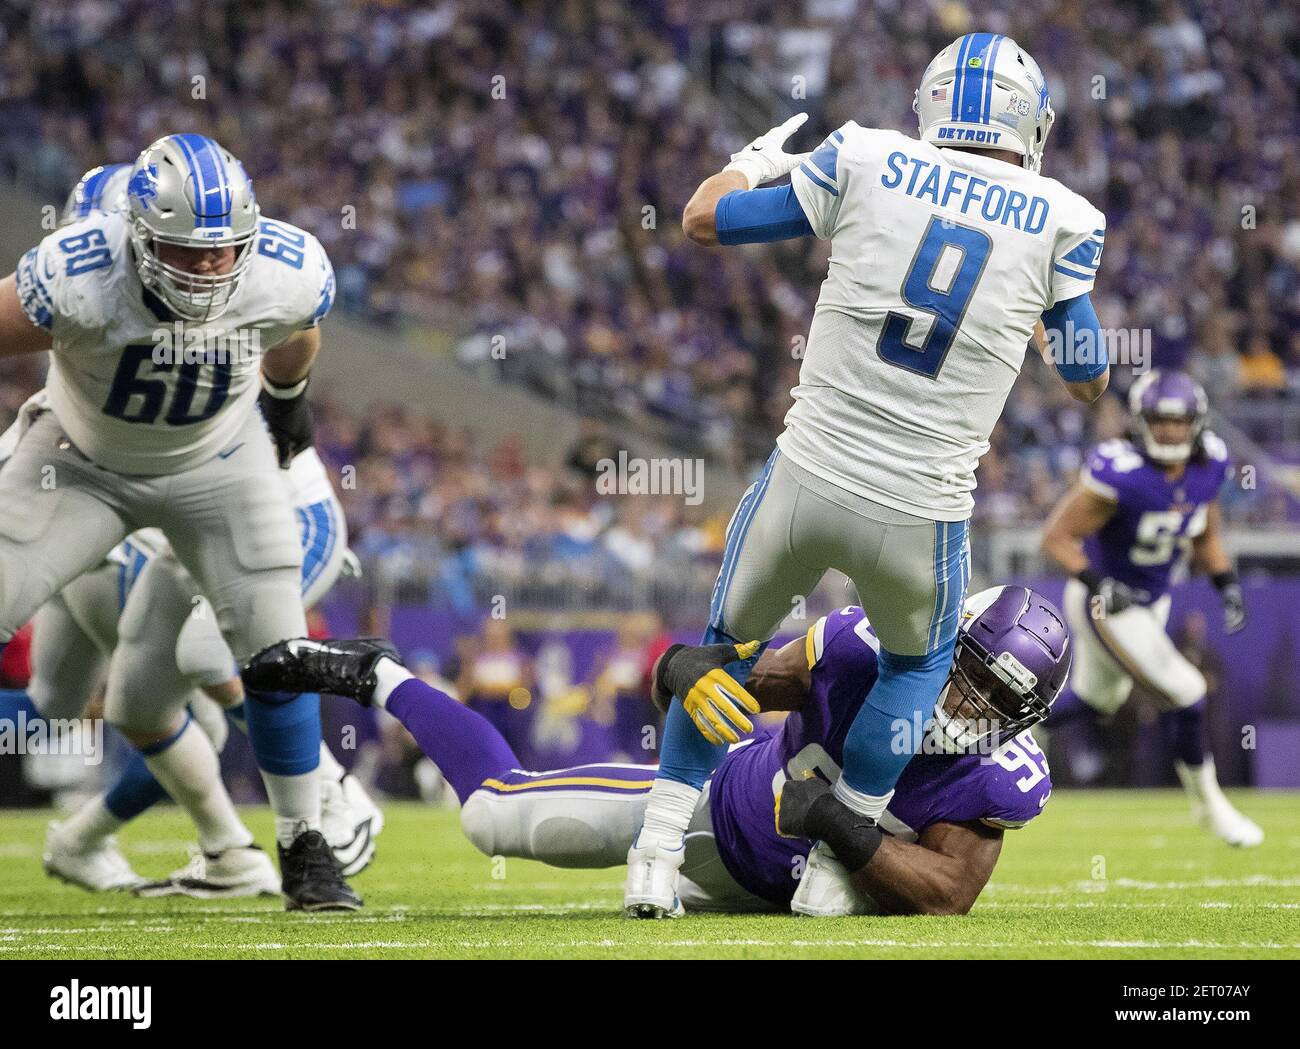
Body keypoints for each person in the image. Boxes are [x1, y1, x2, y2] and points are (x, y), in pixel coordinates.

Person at [631, 33, 1109, 917]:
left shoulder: (865, 154)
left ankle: (654, 855)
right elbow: (1087, 377)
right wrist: (1049, 322)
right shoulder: (1063, 218)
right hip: (920, 512)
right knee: (917, 666)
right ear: (1031, 124)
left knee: (722, 655)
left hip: (806, 475)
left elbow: (702, 218)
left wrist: (752, 161)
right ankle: (828, 868)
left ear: (932, 104)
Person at [0, 133, 358, 909]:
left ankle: (304, 840)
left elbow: (296, 327)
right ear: (134, 235)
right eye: (185, 250)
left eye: (222, 250)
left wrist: (287, 401)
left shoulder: (285, 269)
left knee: (275, 639)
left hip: (215, 463)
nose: (207, 267)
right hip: (81, 461)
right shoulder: (79, 273)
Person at [240, 584, 1070, 917]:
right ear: (944, 646)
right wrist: (679, 669)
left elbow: (948, 894)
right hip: (715, 814)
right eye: (970, 679)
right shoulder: (858, 652)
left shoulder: (1001, 773)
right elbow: (721, 687)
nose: (970, 710)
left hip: (768, 898)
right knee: (492, 816)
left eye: (999, 703)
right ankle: (379, 673)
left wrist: (838, 823)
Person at [1041, 369, 1262, 846]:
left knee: (1097, 700)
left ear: (1196, 424)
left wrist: (1226, 583)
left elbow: (1206, 536)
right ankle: (1211, 808)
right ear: (1140, 422)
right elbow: (1056, 538)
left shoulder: (1210, 464)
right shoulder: (1121, 471)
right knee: (1187, 690)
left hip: (1151, 603)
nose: (1169, 430)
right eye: (1160, 420)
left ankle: (994, 730)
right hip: (1105, 601)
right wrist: (1100, 583)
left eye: (1179, 421)